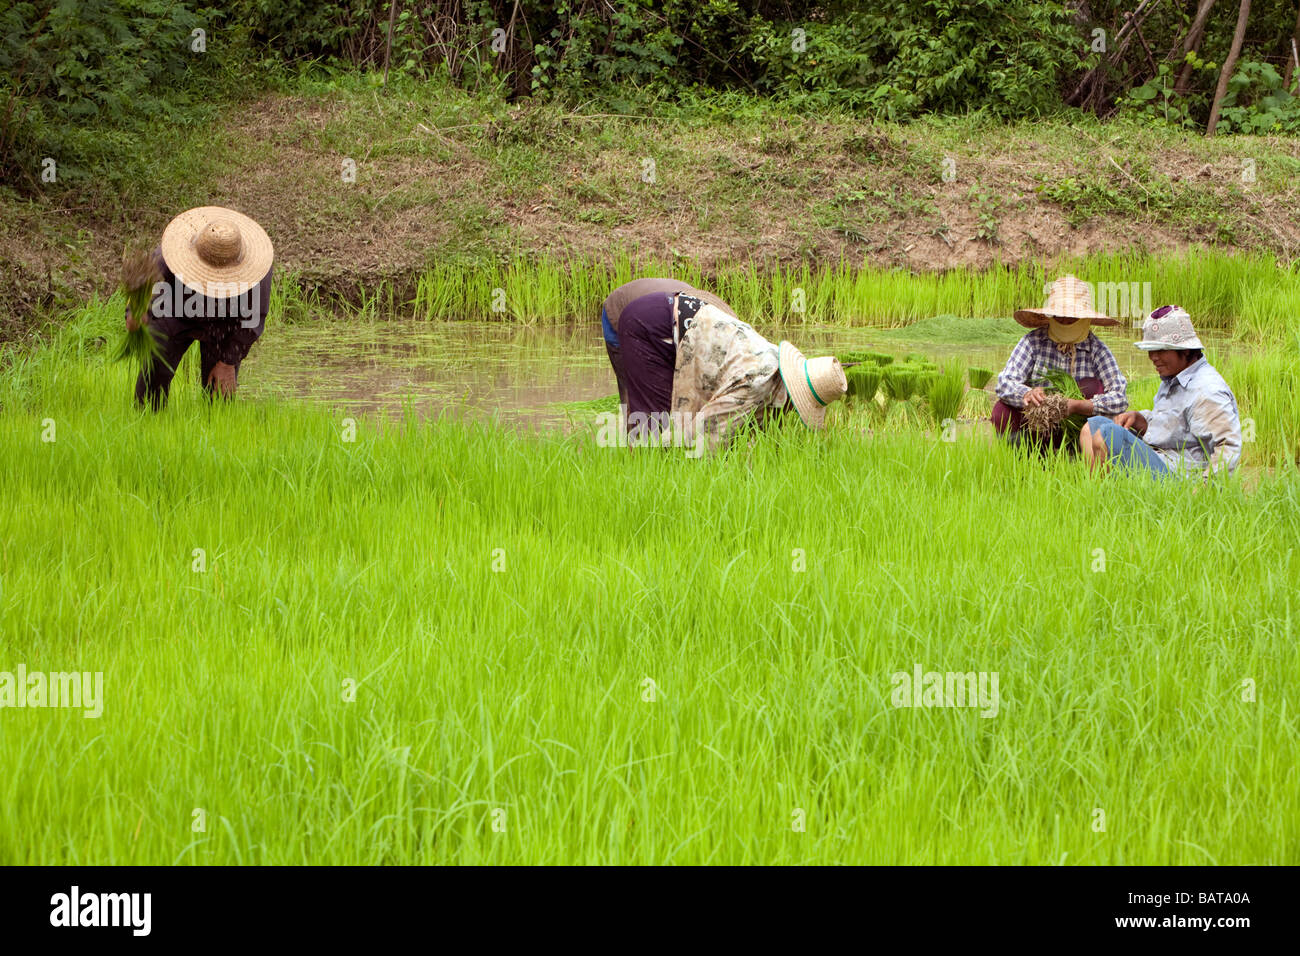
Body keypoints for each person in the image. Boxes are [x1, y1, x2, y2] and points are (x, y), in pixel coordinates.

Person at [609, 287, 846, 452]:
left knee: (665, 429)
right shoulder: (756, 381)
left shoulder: (773, 363)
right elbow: (703, 434)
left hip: (667, 314)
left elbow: (746, 421)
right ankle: (643, 483)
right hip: (649, 327)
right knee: (654, 432)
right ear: (794, 398)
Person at [129, 205, 274, 409]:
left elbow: (254, 317)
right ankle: (147, 422)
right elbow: (145, 281)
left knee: (219, 397)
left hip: (225, 320)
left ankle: (215, 431)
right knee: (154, 372)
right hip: (177, 310)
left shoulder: (258, 268)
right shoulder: (170, 252)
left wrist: (228, 361)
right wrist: (136, 310)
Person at [1080, 306, 1241, 477]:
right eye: (1151, 350)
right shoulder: (1175, 375)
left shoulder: (1207, 389)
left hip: (1181, 478)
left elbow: (1228, 445)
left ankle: (1107, 497)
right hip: (1160, 457)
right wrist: (1141, 419)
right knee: (1092, 427)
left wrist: (1204, 489)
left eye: (1161, 350)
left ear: (1185, 349)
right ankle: (1101, 494)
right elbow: (1174, 426)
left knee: (1107, 436)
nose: (1153, 357)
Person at [993, 274, 1128, 448]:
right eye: (1058, 316)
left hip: (1079, 430)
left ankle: (1078, 452)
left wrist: (1078, 406)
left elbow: (1119, 397)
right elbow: (1004, 382)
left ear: (1085, 319)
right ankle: (1025, 454)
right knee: (1001, 411)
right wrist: (1027, 394)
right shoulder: (1033, 342)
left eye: (1072, 317)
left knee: (1091, 386)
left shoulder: (1097, 350)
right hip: (1038, 427)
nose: (1064, 321)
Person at [601, 278, 736, 409]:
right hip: (619, 312)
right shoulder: (692, 325)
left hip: (659, 310)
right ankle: (639, 429)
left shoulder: (719, 325)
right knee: (638, 393)